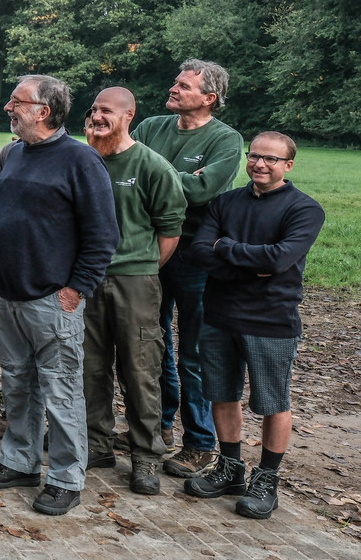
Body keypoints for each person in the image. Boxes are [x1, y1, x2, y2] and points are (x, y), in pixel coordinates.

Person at [0, 75, 118, 516]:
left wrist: (76, 289)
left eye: (16, 102)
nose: (8, 108)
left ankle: (65, 478)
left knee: (61, 391)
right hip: (8, 295)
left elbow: (103, 235)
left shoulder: (80, 159)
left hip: (53, 299)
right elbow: (1, 217)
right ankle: (20, 462)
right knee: (17, 383)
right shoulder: (13, 153)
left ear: (43, 111)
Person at [182, 132, 324, 520]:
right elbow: (199, 251)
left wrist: (225, 248)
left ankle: (267, 480)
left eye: (271, 159)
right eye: (255, 155)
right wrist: (248, 265)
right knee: (221, 394)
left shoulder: (304, 209)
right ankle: (230, 469)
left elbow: (277, 260)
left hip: (270, 320)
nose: (260, 164)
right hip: (220, 315)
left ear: (288, 165)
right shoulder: (225, 202)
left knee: (273, 402)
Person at [132, 60, 244, 478]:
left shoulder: (225, 139)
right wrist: (177, 177)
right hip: (148, 248)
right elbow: (124, 170)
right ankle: (158, 427)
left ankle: (199, 443)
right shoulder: (151, 127)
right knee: (151, 343)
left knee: (195, 353)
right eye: (175, 82)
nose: (173, 88)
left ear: (209, 98)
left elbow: (201, 190)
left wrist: (152, 174)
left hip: (196, 254)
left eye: (184, 85)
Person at [81, 87, 186, 496]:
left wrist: (140, 267)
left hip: (136, 281)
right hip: (85, 280)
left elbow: (169, 231)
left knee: (140, 371)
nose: (97, 116)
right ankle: (97, 444)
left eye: (106, 110)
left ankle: (145, 456)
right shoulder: (82, 159)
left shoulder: (152, 166)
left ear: (129, 116)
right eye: (94, 110)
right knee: (90, 367)